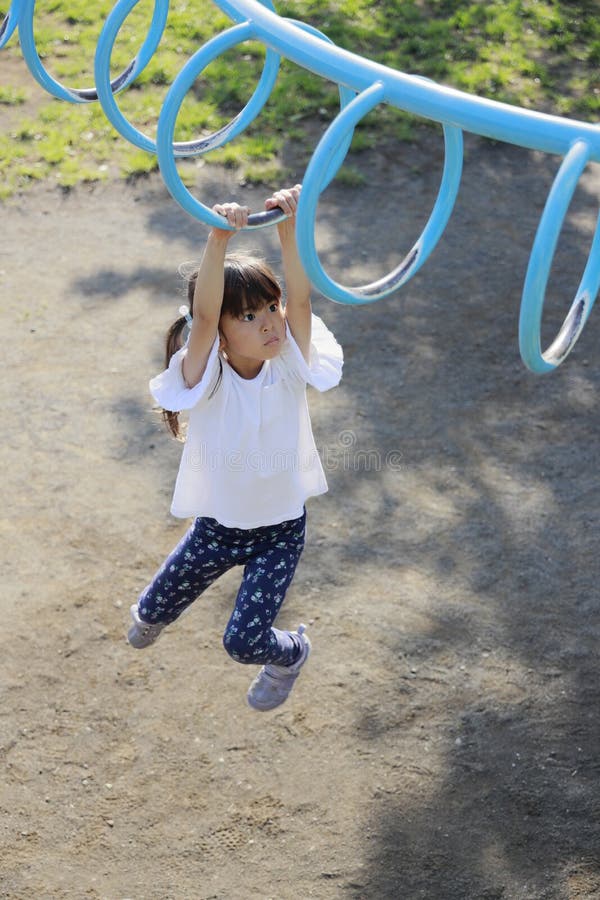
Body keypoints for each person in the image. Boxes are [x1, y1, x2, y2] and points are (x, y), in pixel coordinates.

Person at [128, 184, 343, 711]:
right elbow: (202, 318)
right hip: (218, 527)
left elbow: (301, 300)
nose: (269, 321)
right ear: (221, 335)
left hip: (280, 532)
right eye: (248, 316)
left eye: (269, 307)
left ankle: (291, 654)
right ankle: (154, 615)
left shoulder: (290, 364)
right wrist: (219, 238)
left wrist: (289, 231)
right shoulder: (208, 378)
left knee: (243, 641)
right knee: (148, 616)